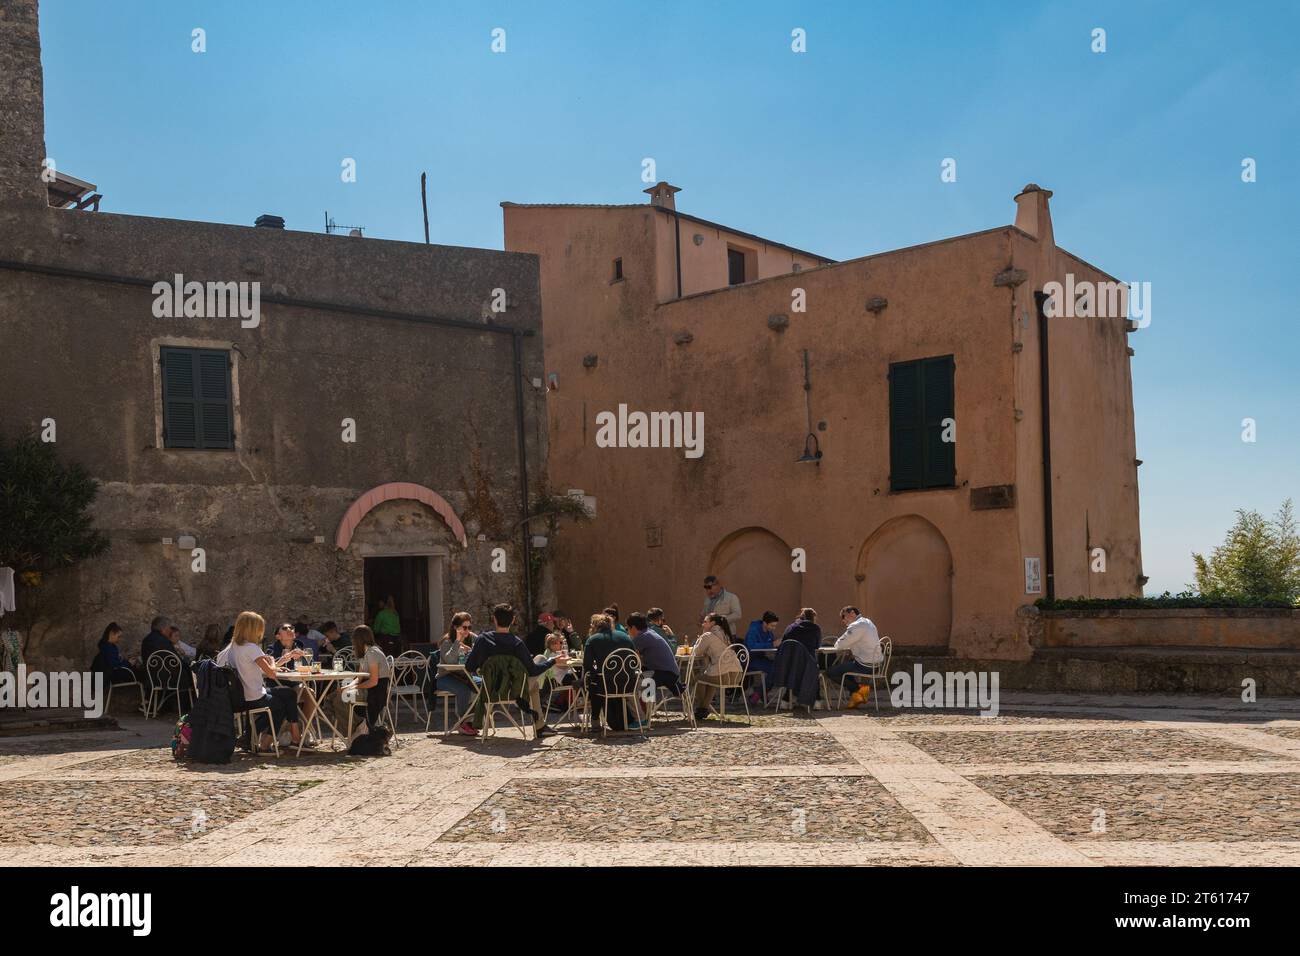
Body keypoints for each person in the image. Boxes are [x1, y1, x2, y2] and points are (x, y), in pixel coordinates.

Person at [217, 611, 306, 752]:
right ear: (254, 629)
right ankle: (266, 743)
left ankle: (291, 733)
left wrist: (282, 660)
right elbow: (271, 674)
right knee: (281, 704)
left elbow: (254, 670)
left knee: (288, 693)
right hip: (253, 696)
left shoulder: (227, 650)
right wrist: (271, 660)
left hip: (234, 698)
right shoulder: (252, 649)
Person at [463, 603, 556, 738]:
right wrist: (553, 661)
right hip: (515, 691)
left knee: (534, 685)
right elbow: (534, 671)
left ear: (494, 619)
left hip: (490, 691)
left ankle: (540, 726)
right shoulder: (517, 643)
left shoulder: (482, 640)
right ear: (513, 620)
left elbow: (469, 667)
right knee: (540, 660)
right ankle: (540, 726)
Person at [582, 613, 641, 731]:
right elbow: (635, 659)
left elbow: (587, 665)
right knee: (600, 678)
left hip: (607, 685)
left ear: (594, 626)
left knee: (593, 682)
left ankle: (595, 720)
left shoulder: (593, 639)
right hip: (629, 683)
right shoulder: (625, 636)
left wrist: (596, 673)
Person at [688, 613, 743, 721]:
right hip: (737, 675)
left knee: (698, 679)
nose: (702, 624)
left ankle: (701, 708)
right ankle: (702, 709)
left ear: (712, 623)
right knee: (709, 677)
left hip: (723, 675)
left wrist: (701, 637)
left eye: (705, 622)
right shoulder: (725, 633)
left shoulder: (708, 635)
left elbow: (696, 652)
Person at [829, 606, 884, 708]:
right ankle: (857, 693)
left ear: (853, 613)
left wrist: (843, 643)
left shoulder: (857, 625)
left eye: (844, 616)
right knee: (844, 668)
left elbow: (839, 645)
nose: (843, 620)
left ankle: (858, 690)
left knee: (831, 672)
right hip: (877, 664)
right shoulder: (867, 622)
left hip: (865, 665)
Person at [343, 625, 392, 737]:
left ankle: (355, 728)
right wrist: (349, 686)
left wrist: (354, 688)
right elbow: (359, 678)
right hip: (368, 689)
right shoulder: (365, 654)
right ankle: (353, 728)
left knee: (340, 699)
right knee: (336, 696)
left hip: (375, 692)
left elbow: (373, 681)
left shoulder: (372, 653)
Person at [436, 612, 479, 736]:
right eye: (464, 628)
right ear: (456, 627)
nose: (467, 631)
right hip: (446, 677)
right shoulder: (447, 642)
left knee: (482, 685)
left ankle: (472, 720)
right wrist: (458, 642)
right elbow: (449, 661)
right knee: (464, 690)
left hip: (465, 676)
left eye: (469, 627)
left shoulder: (472, 638)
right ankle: (463, 722)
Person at [627, 611, 680, 695]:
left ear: (633, 627)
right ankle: (649, 705)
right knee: (641, 677)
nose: (628, 631)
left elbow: (628, 652)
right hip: (670, 673)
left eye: (628, 629)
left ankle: (646, 706)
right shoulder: (649, 632)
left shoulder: (642, 637)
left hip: (667, 674)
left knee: (635, 682)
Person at [743, 611, 780, 704]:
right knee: (774, 669)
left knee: (778, 667)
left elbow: (770, 645)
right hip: (750, 660)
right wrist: (771, 644)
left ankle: (759, 693)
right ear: (764, 623)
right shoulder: (754, 630)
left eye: (775, 626)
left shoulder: (769, 633)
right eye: (772, 626)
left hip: (760, 658)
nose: (773, 628)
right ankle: (759, 694)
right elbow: (751, 647)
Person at [91, 622, 142, 687]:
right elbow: (115, 665)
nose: (119, 639)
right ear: (112, 633)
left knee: (141, 671)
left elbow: (115, 662)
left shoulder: (108, 646)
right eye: (119, 637)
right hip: (113, 675)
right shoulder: (107, 648)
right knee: (143, 674)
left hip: (115, 673)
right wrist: (128, 663)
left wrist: (127, 661)